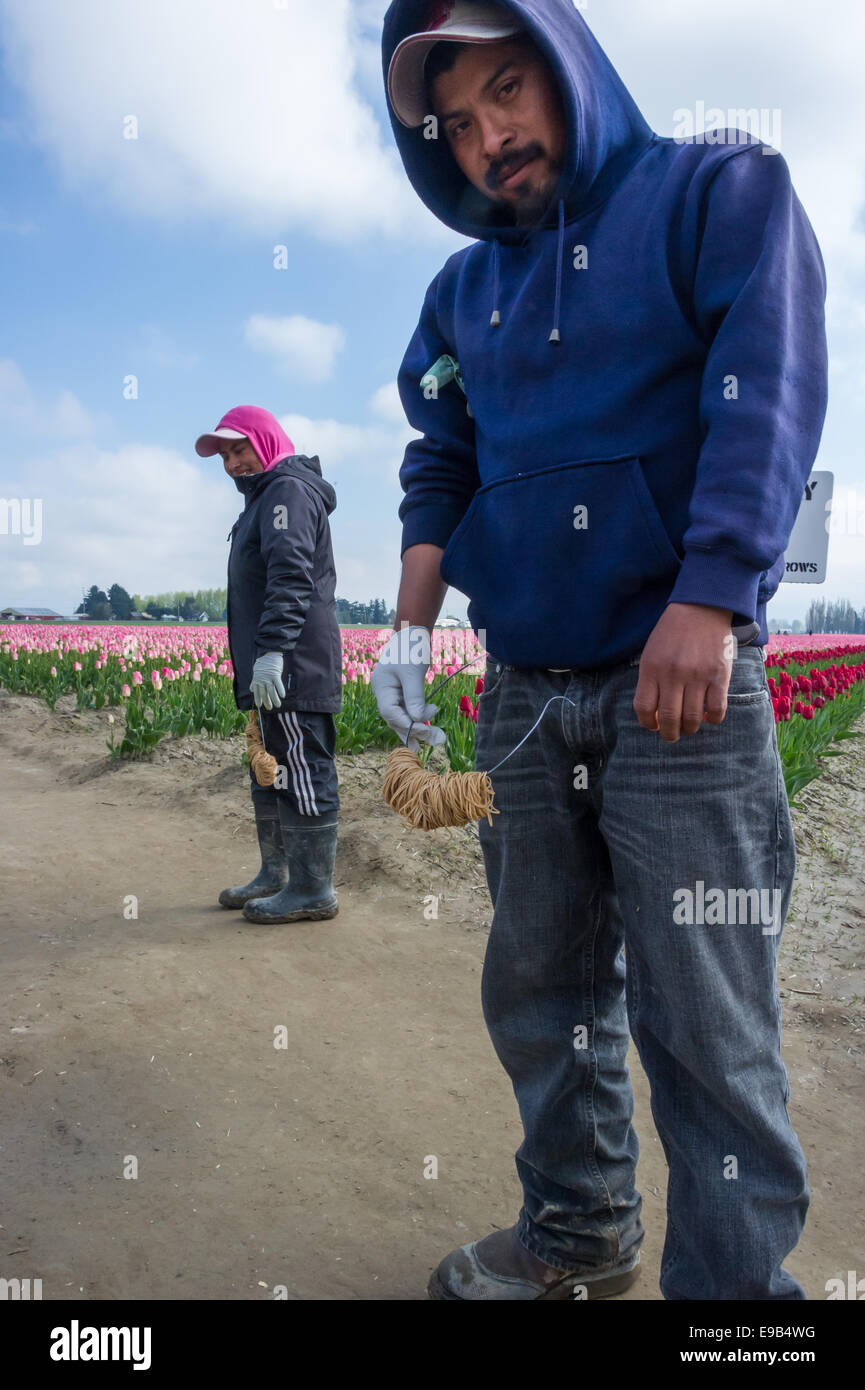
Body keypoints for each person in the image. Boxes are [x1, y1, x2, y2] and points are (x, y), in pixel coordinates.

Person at [373, 0, 828, 1299]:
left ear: (570, 67)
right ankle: (577, 1234)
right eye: (454, 123)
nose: (487, 137)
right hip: (522, 691)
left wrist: (713, 594)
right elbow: (440, 456)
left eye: (508, 90)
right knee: (542, 986)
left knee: (704, 1024)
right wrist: (406, 623)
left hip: (673, 682)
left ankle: (736, 1304)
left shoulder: (713, 192)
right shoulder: (462, 292)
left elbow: (767, 375)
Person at [194, 405, 342, 924]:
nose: (232, 462)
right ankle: (275, 873)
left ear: (266, 441)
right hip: (271, 670)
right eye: (225, 455)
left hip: (295, 667)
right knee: (270, 768)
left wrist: (274, 652)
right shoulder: (263, 497)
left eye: (240, 449)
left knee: (302, 768)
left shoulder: (286, 492)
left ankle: (312, 888)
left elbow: (291, 575)